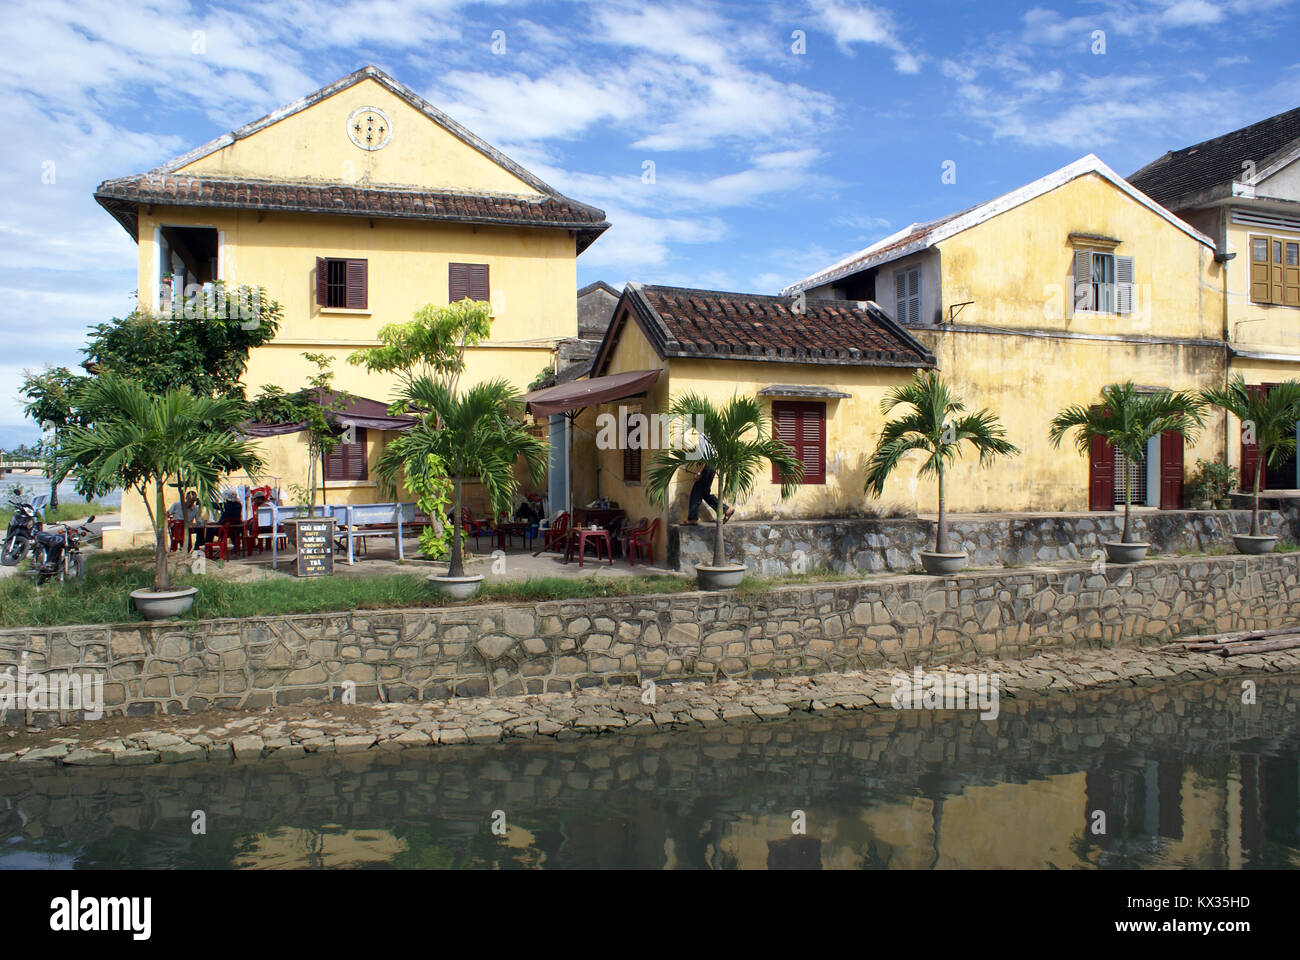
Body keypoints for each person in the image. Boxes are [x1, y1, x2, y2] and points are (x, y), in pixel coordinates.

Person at [682, 432, 734, 526]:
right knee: (705, 494)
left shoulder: (703, 435)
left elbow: (707, 457)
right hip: (712, 466)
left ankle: (692, 518)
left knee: (696, 493)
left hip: (708, 466)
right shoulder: (710, 433)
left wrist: (699, 472)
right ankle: (726, 509)